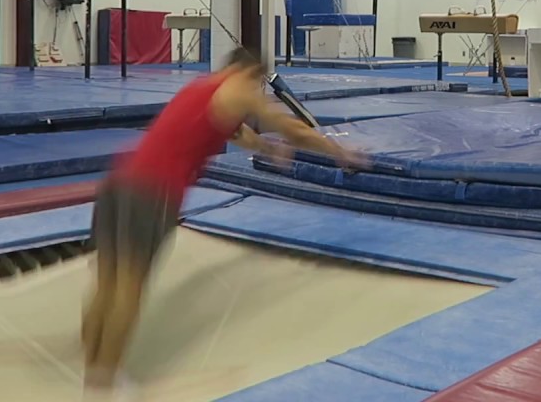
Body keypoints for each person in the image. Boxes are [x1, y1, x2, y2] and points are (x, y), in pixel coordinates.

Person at [81, 46, 366, 393]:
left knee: (107, 281)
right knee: (129, 287)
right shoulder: (240, 88)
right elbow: (295, 130)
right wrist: (340, 151)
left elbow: (236, 132)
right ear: (249, 74)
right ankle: (105, 381)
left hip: (119, 181)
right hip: (151, 193)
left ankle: (92, 365)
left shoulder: (202, 89)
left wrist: (266, 148)